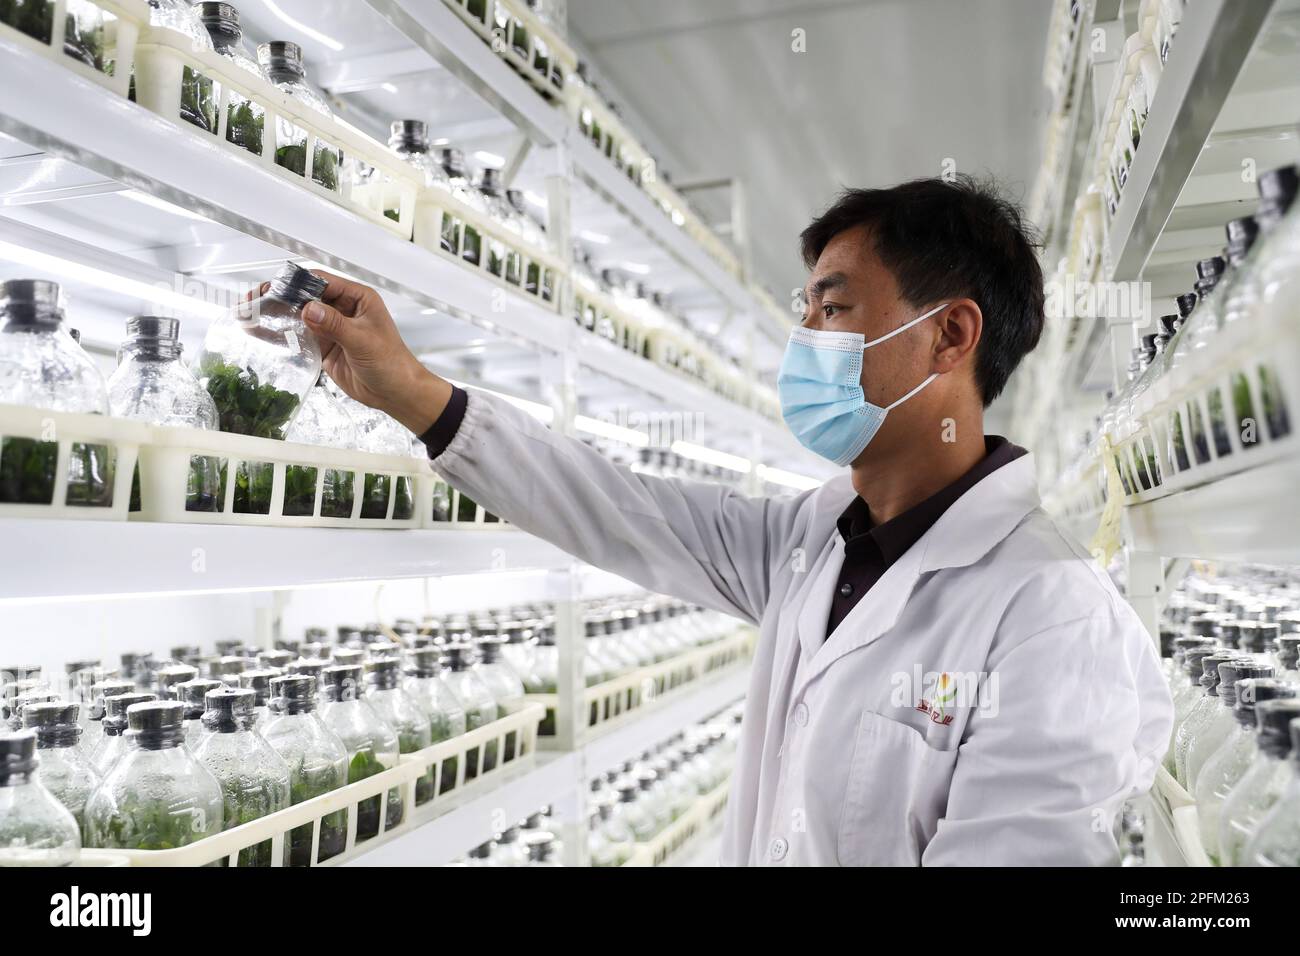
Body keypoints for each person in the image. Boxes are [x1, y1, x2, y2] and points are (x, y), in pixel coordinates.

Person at [292, 174, 1171, 866]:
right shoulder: (811, 541)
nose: (806, 342)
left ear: (950, 336)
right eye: (806, 314)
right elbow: (622, 512)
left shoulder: (1052, 617)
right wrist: (412, 395)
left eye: (834, 308)